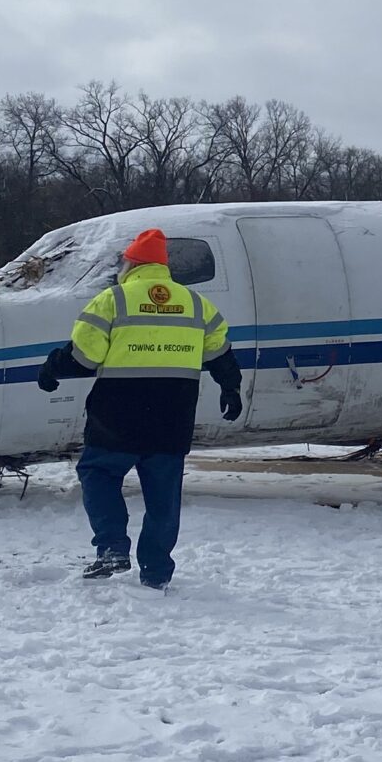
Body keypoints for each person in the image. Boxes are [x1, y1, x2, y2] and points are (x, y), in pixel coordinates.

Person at [35, 226, 242, 588]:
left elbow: (85, 356)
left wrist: (52, 369)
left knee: (99, 474)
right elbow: (219, 351)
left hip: (118, 414)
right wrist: (231, 387)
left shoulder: (113, 300)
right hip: (173, 414)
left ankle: (113, 548)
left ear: (131, 263)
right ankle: (157, 572)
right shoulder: (196, 304)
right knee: (164, 496)